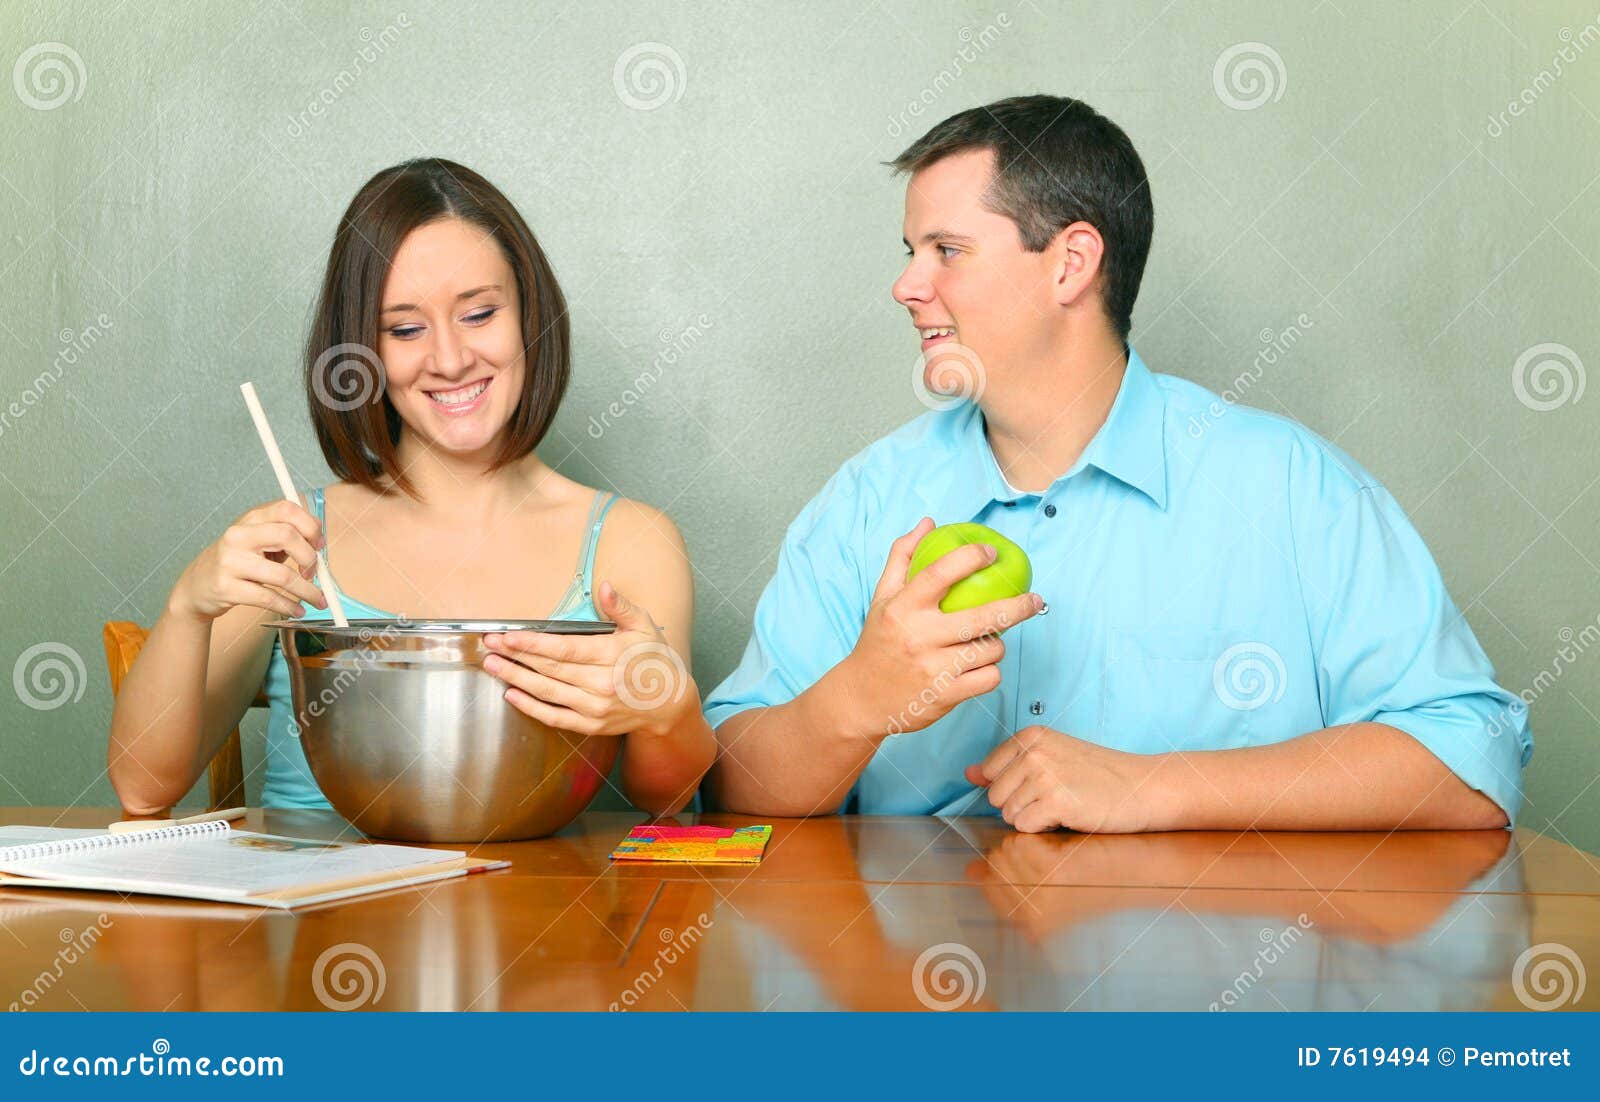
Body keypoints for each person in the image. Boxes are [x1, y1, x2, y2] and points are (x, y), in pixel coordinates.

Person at [705, 95, 1530, 832]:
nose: (906, 285)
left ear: (1071, 262)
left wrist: (1151, 788)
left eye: (946, 250)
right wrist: (856, 699)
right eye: (910, 250)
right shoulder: (865, 502)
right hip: (920, 993)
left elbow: (1470, 764)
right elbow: (727, 782)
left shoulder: (1291, 488)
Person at [109, 159, 715, 817]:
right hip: (317, 917)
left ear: (528, 316)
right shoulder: (294, 546)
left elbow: (669, 798)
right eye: (404, 329)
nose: (450, 359)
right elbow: (144, 789)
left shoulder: (632, 542)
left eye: (480, 314)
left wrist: (665, 703)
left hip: (538, 916)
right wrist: (187, 608)